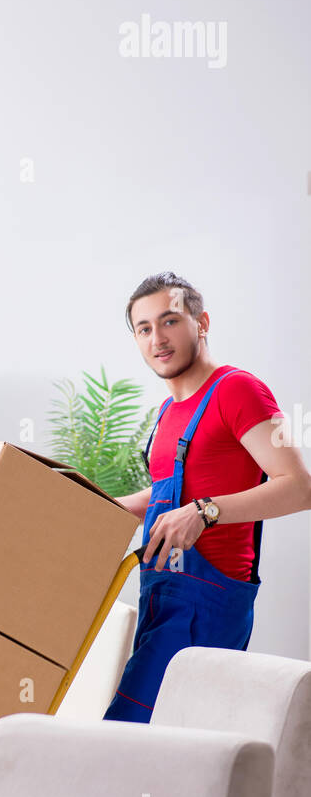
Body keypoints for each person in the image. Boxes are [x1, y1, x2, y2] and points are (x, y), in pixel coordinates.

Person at [104, 270, 311, 724]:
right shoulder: (167, 412)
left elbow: (299, 487)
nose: (157, 337)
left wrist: (206, 512)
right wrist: (101, 509)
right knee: (137, 745)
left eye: (170, 320)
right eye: (144, 328)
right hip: (162, 600)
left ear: (202, 323)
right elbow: (167, 495)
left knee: (137, 743)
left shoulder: (239, 390)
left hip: (207, 609)